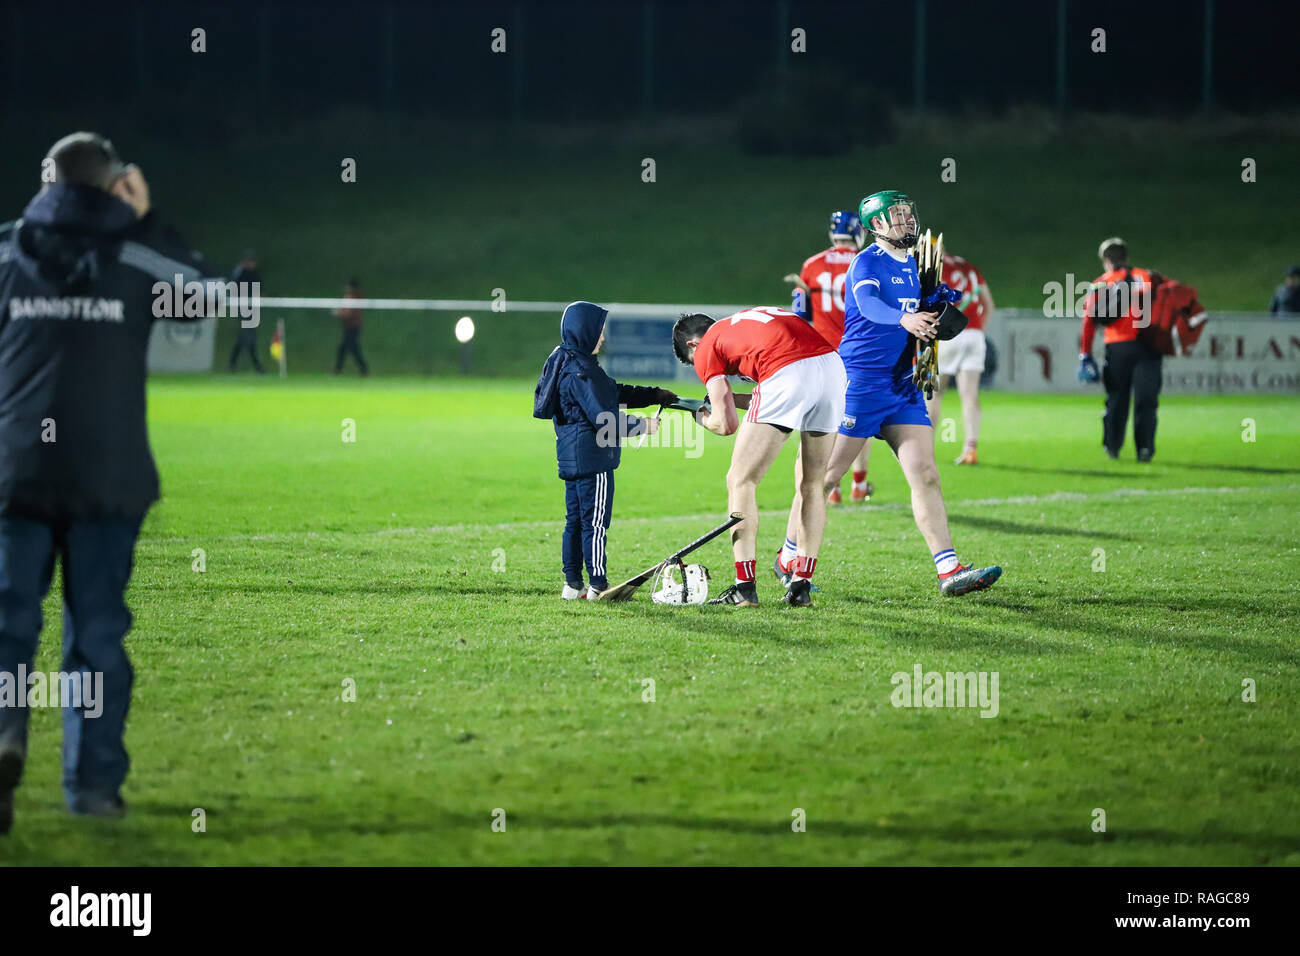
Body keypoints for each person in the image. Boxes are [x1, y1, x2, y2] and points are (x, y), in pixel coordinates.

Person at [0, 132, 215, 832]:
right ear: (117, 182)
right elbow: (219, 299)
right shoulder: (133, 253)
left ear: (46, 179)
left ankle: (4, 736)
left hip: (16, 472)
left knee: (7, 631)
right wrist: (148, 219)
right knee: (93, 637)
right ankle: (91, 787)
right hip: (106, 478)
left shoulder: (7, 251)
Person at [782, 190, 1002, 596]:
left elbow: (928, 312)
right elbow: (866, 304)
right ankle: (789, 554)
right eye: (896, 216)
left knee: (926, 474)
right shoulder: (867, 261)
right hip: (860, 383)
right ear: (876, 225)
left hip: (903, 386)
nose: (906, 221)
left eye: (907, 213)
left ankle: (948, 570)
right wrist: (905, 317)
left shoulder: (919, 264)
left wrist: (937, 307)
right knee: (826, 478)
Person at [671, 305, 847, 607]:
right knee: (813, 485)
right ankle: (800, 586)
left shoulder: (706, 347)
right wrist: (731, 400)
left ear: (692, 345)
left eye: (692, 361)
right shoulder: (743, 324)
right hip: (831, 369)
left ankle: (745, 588)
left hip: (787, 374)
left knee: (740, 480)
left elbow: (726, 424)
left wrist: (698, 415)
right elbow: (782, 386)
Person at [534, 302, 675, 599]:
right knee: (595, 523)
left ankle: (573, 585)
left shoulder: (570, 363)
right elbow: (603, 419)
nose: (603, 337)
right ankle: (598, 585)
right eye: (599, 331)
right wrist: (641, 426)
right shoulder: (582, 370)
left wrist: (653, 395)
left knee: (574, 521)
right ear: (585, 331)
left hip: (572, 457)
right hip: (594, 459)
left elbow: (612, 392)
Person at [785, 209, 874, 507]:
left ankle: (829, 486)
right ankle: (858, 485)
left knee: (824, 418)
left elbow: (800, 312)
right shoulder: (867, 261)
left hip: (822, 353)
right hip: (858, 351)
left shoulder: (812, 264)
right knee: (859, 419)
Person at [1077, 237, 1162, 462]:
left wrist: (1085, 353)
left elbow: (1089, 321)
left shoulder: (1100, 284)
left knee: (1116, 398)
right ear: (1127, 257)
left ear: (1106, 260)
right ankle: (1145, 449)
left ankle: (1112, 446)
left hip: (1118, 347)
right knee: (1146, 400)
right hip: (1149, 346)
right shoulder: (1146, 277)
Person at [925, 245, 994, 465]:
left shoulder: (934, 268)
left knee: (935, 393)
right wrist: (979, 330)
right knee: (970, 396)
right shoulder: (968, 265)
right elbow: (989, 304)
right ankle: (970, 449)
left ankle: (925, 449)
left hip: (949, 333)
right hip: (974, 334)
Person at [226, 249, 264, 372]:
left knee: (245, 337)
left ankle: (233, 364)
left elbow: (259, 291)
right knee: (248, 337)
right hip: (243, 308)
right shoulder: (241, 274)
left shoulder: (254, 274)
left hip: (251, 309)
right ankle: (256, 366)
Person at [333, 277, 369, 375]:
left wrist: (339, 314)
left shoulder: (355, 297)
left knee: (351, 348)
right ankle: (339, 369)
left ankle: (363, 369)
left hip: (353, 327)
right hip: (348, 327)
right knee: (345, 348)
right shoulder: (349, 297)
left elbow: (350, 313)